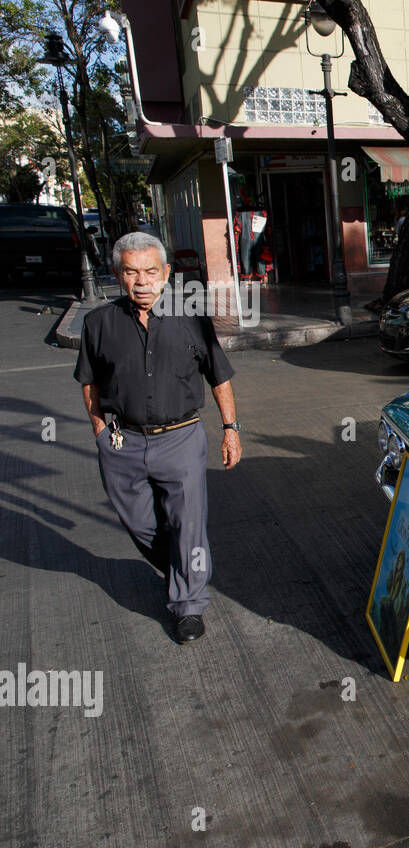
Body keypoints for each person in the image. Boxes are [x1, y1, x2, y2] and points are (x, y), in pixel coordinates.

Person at [75, 232, 242, 643]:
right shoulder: (99, 323)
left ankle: (188, 605)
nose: (142, 280)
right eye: (132, 271)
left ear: (167, 274)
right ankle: (183, 567)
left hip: (181, 438)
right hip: (122, 442)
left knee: (188, 523)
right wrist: (99, 430)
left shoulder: (191, 318)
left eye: (151, 270)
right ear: (117, 275)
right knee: (140, 523)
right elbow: (89, 381)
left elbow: (218, 377)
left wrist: (230, 430)